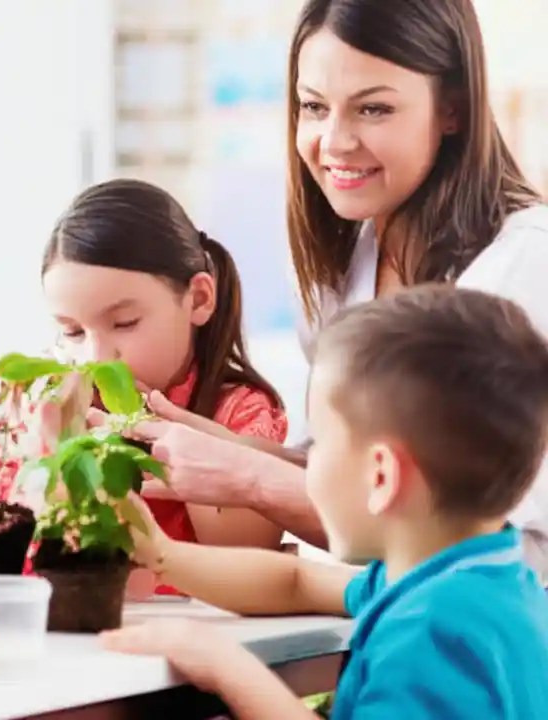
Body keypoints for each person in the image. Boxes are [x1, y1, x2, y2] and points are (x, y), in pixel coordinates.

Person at [135, 0, 548, 576]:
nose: (334, 142)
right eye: (313, 107)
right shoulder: (348, 262)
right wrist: (213, 444)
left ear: (452, 108)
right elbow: (340, 472)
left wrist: (249, 478)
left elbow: (492, 542)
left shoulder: (524, 264)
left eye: (373, 109)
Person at [107, 286, 548, 719]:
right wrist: (160, 553)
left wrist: (226, 666)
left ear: (381, 476)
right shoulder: (478, 578)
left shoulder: (429, 631)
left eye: (320, 443)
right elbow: (295, 581)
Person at [0, 178, 288, 593]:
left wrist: (180, 445)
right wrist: (49, 447)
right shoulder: (40, 408)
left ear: (198, 300)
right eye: (73, 332)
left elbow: (248, 550)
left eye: (124, 323)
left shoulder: (238, 409)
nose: (95, 357)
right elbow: (2, 550)